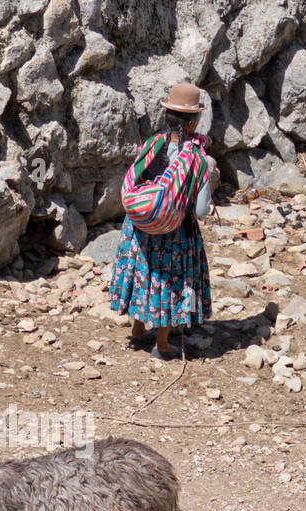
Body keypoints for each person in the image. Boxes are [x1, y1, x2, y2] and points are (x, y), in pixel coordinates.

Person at [109, 82, 217, 360]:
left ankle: (137, 328)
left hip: (139, 227)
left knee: (144, 274)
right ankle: (162, 343)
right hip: (175, 233)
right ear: (193, 123)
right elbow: (203, 210)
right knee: (172, 282)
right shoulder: (196, 159)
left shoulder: (151, 145)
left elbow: (136, 178)